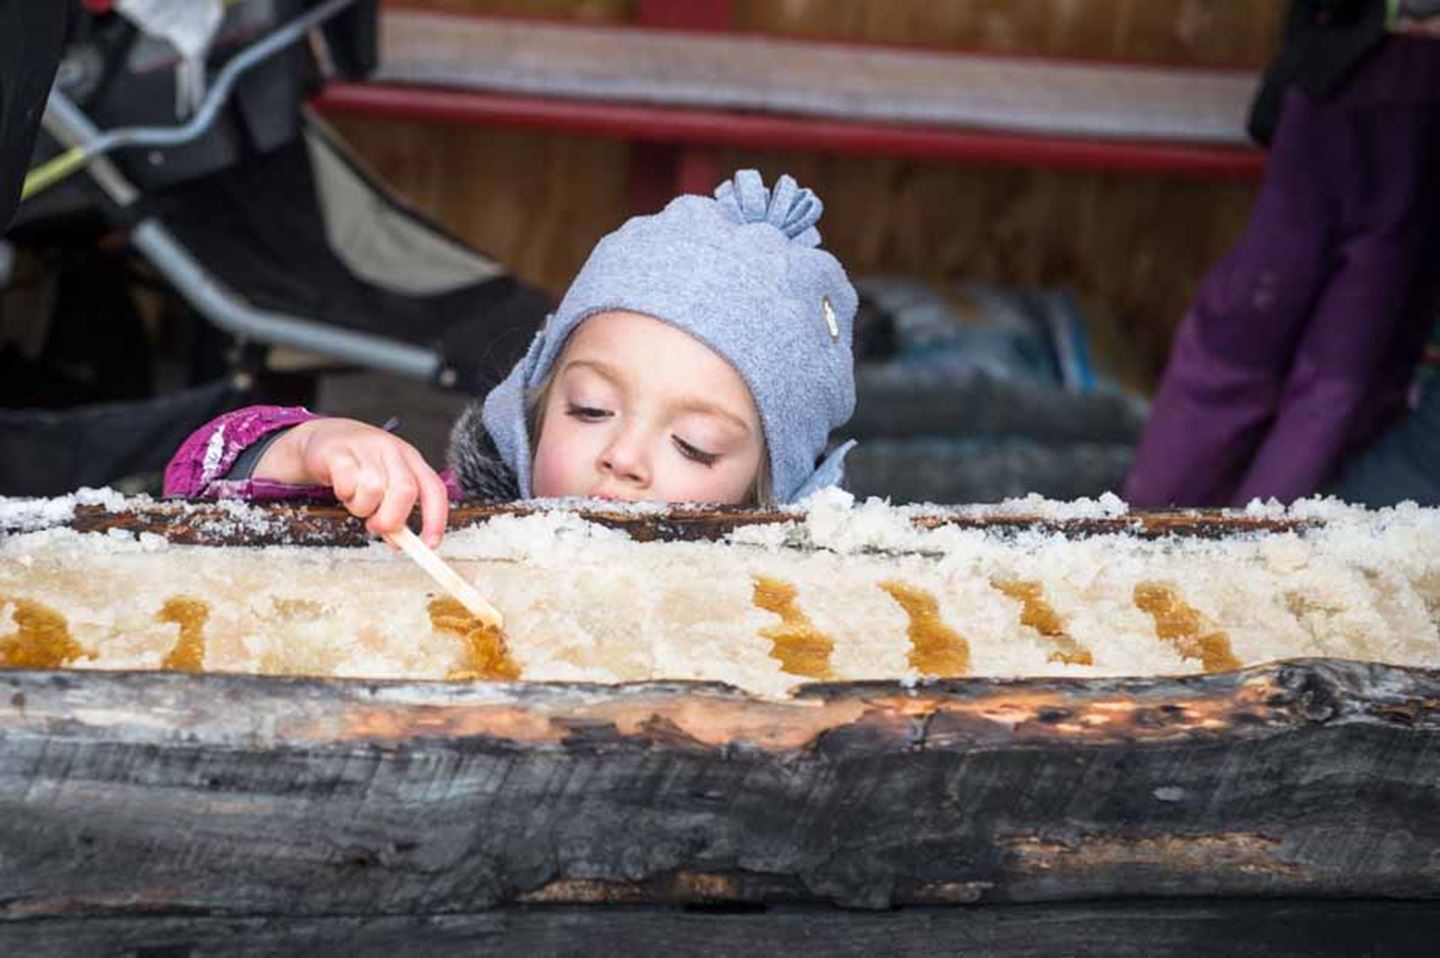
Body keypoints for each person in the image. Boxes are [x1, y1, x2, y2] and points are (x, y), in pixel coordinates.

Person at [165, 169, 859, 545]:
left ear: (772, 493)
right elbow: (192, 493)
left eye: (694, 445)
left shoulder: (778, 627)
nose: (623, 457)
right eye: (589, 409)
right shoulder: (442, 527)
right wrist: (310, 448)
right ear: (534, 402)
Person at [1123, 0, 1440, 508]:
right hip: (1357, 81)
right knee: (1323, 355)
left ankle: (1188, 527)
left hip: (1361, 82)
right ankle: (1201, 529)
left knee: (1298, 348)